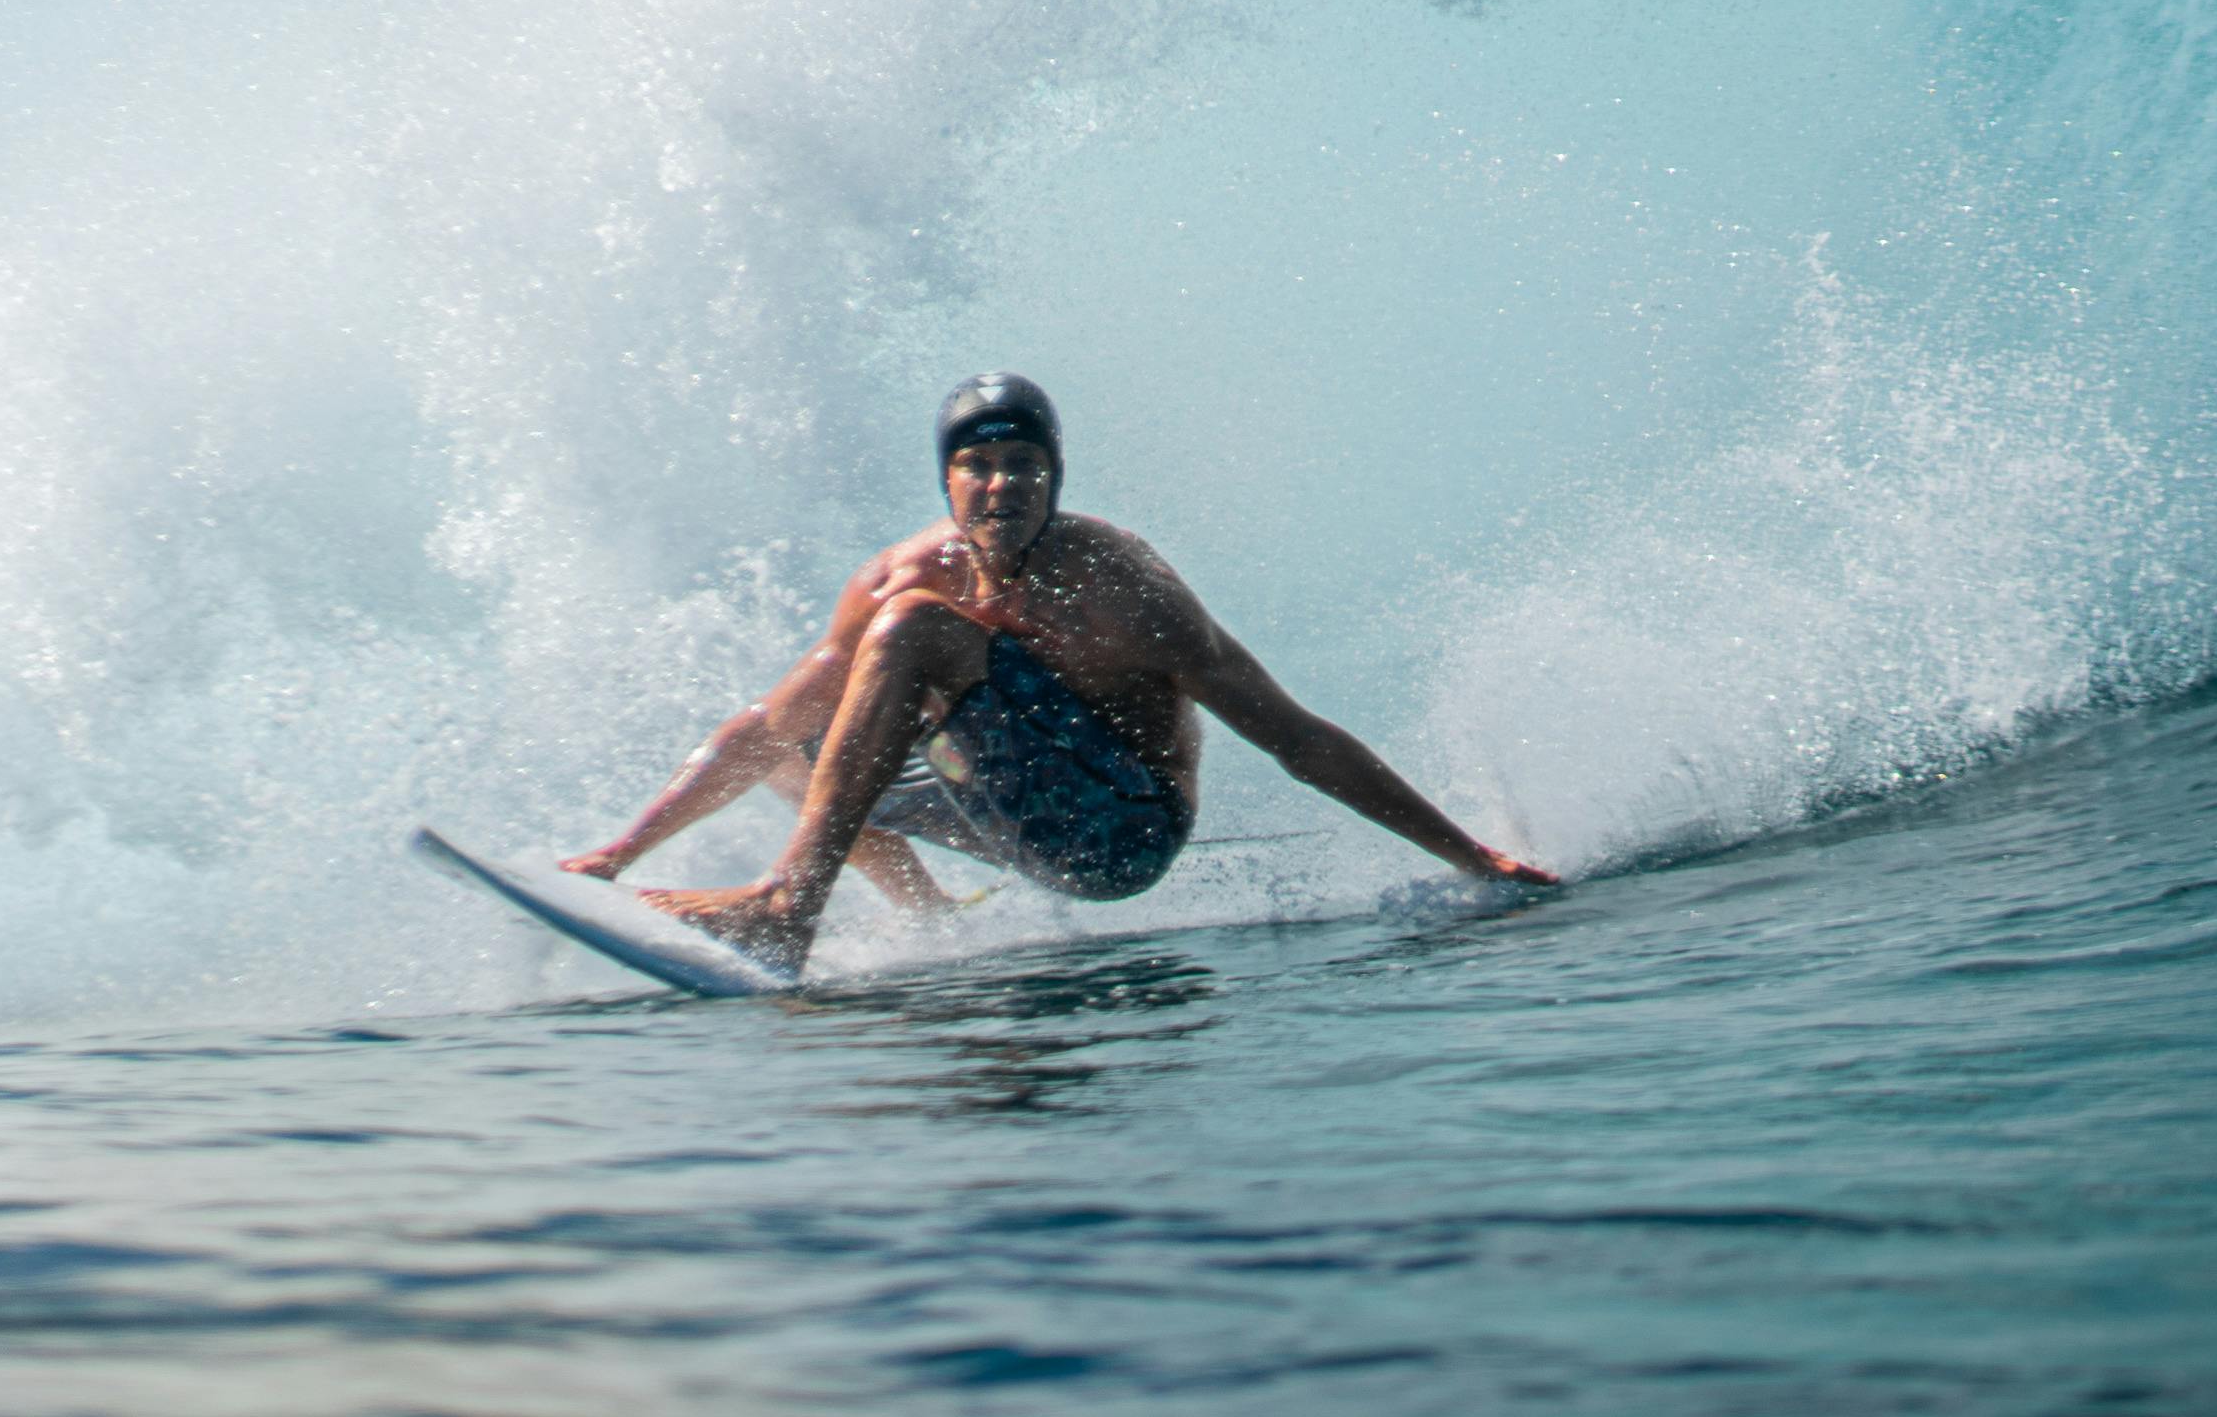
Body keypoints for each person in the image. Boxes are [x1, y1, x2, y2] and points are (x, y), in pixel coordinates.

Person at [564, 373, 1555, 977]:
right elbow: (763, 729)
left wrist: (1471, 855)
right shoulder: (901, 574)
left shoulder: (1124, 588)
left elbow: (1296, 737)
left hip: (1120, 833)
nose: (1003, 483)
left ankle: (787, 910)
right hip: (1006, 813)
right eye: (980, 463)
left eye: (1026, 464)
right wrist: (620, 853)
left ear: (1057, 475)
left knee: (913, 636)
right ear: (947, 479)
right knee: (799, 743)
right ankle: (928, 922)